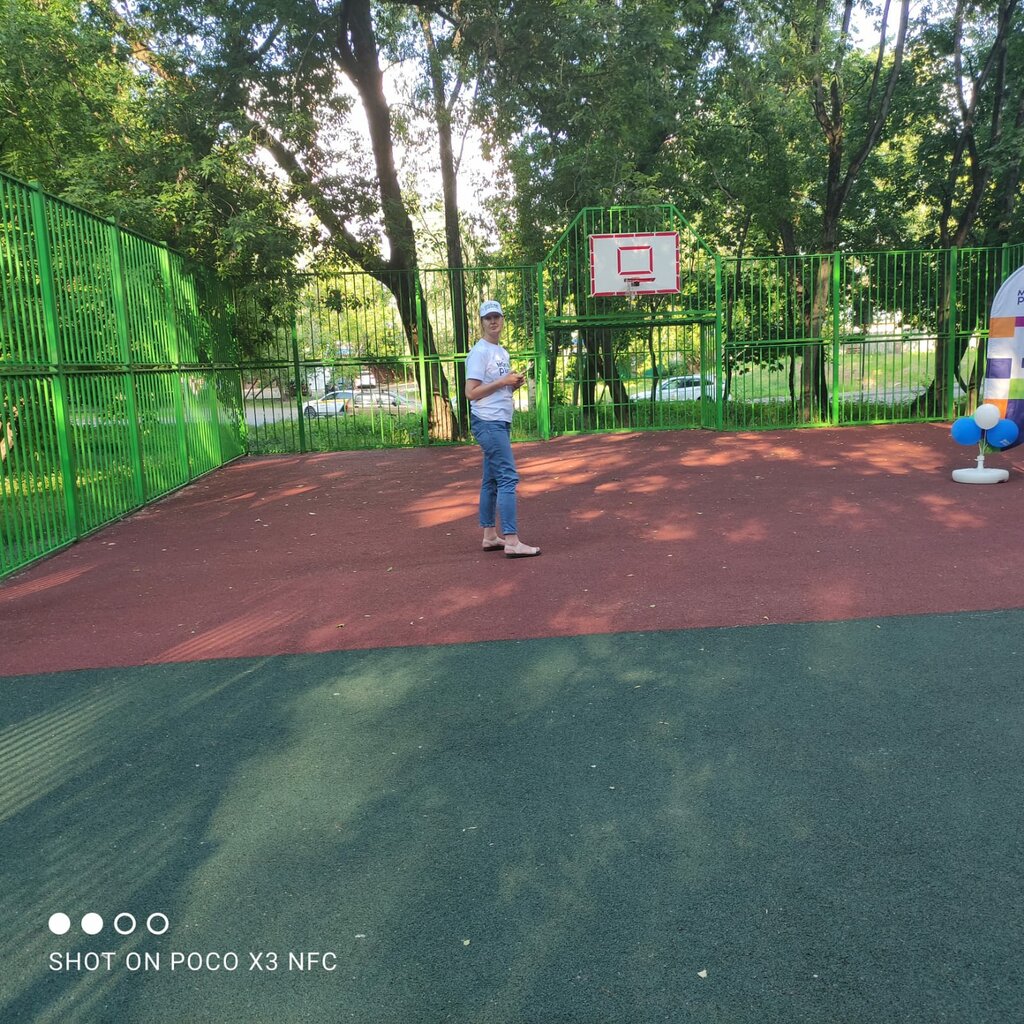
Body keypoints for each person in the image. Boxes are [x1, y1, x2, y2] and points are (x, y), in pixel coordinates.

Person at [465, 300, 541, 558]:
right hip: (487, 422)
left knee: (492, 479)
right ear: (482, 322)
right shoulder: (480, 352)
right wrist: (502, 382)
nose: (493, 321)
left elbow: (498, 386)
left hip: (500, 420)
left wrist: (512, 384)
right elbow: (471, 393)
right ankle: (512, 539)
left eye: (497, 317)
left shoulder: (502, 352)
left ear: (502, 319)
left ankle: (489, 536)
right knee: (508, 477)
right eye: (488, 318)